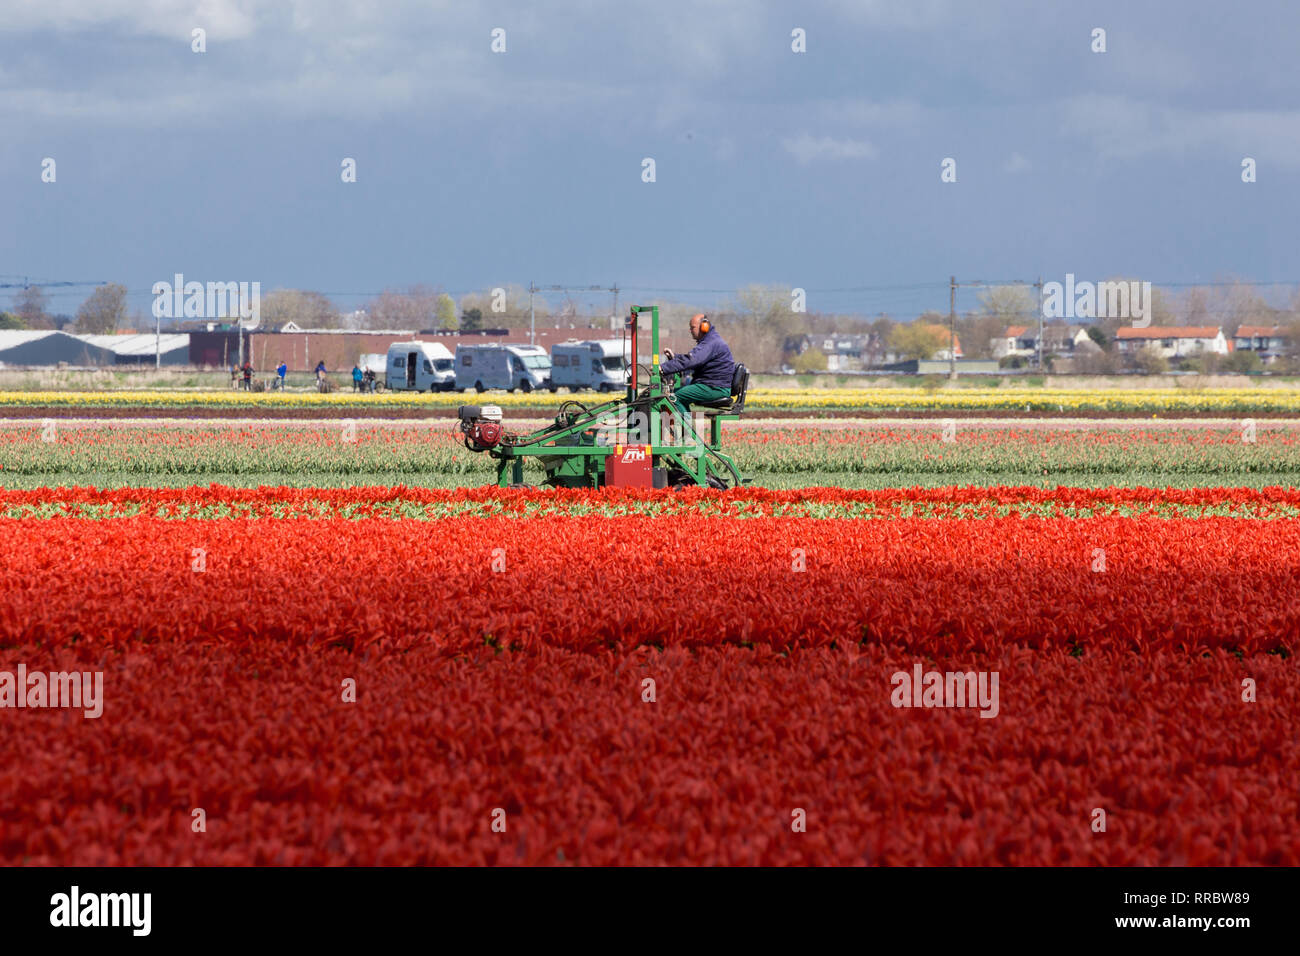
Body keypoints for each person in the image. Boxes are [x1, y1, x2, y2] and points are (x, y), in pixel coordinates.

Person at [660, 313, 736, 421]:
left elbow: (692, 360)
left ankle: (687, 432)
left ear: (704, 327)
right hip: (711, 385)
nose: (690, 330)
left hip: (715, 387)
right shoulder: (709, 341)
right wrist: (675, 357)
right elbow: (693, 359)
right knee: (674, 395)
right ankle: (687, 428)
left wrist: (663, 368)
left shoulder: (710, 343)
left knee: (673, 397)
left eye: (692, 328)